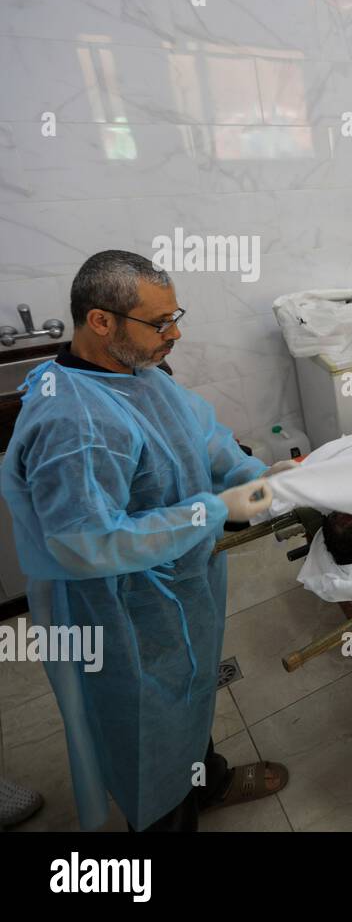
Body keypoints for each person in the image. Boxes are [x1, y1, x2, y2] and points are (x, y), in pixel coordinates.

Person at [0, 251, 292, 832]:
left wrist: (253, 477)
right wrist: (213, 510)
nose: (175, 333)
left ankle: (207, 782)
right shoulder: (74, 422)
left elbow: (202, 436)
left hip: (175, 587)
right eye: (159, 323)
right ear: (101, 322)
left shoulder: (142, 377)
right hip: (118, 609)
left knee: (189, 692)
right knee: (147, 727)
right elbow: (84, 542)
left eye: (173, 316)